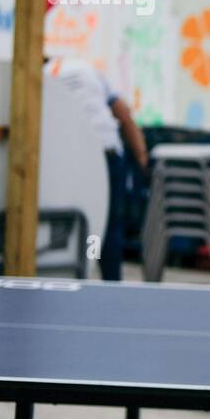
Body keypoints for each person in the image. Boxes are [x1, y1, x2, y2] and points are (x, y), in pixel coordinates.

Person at [44, 56, 148, 281]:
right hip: (108, 151)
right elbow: (124, 114)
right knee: (110, 225)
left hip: (73, 158)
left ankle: (71, 280)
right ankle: (111, 284)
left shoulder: (44, 77)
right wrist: (141, 156)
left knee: (71, 223)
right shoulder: (86, 68)